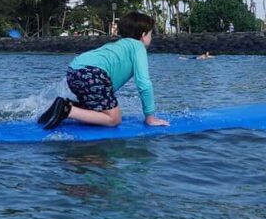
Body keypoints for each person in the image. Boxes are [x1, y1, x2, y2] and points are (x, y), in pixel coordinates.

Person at [38, 11, 169, 130]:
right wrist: (150, 117)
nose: (151, 38)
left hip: (74, 70)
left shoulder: (117, 45)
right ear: (143, 35)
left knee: (97, 109)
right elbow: (144, 84)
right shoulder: (138, 47)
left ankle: (64, 105)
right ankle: (67, 110)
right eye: (151, 34)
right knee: (114, 119)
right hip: (93, 74)